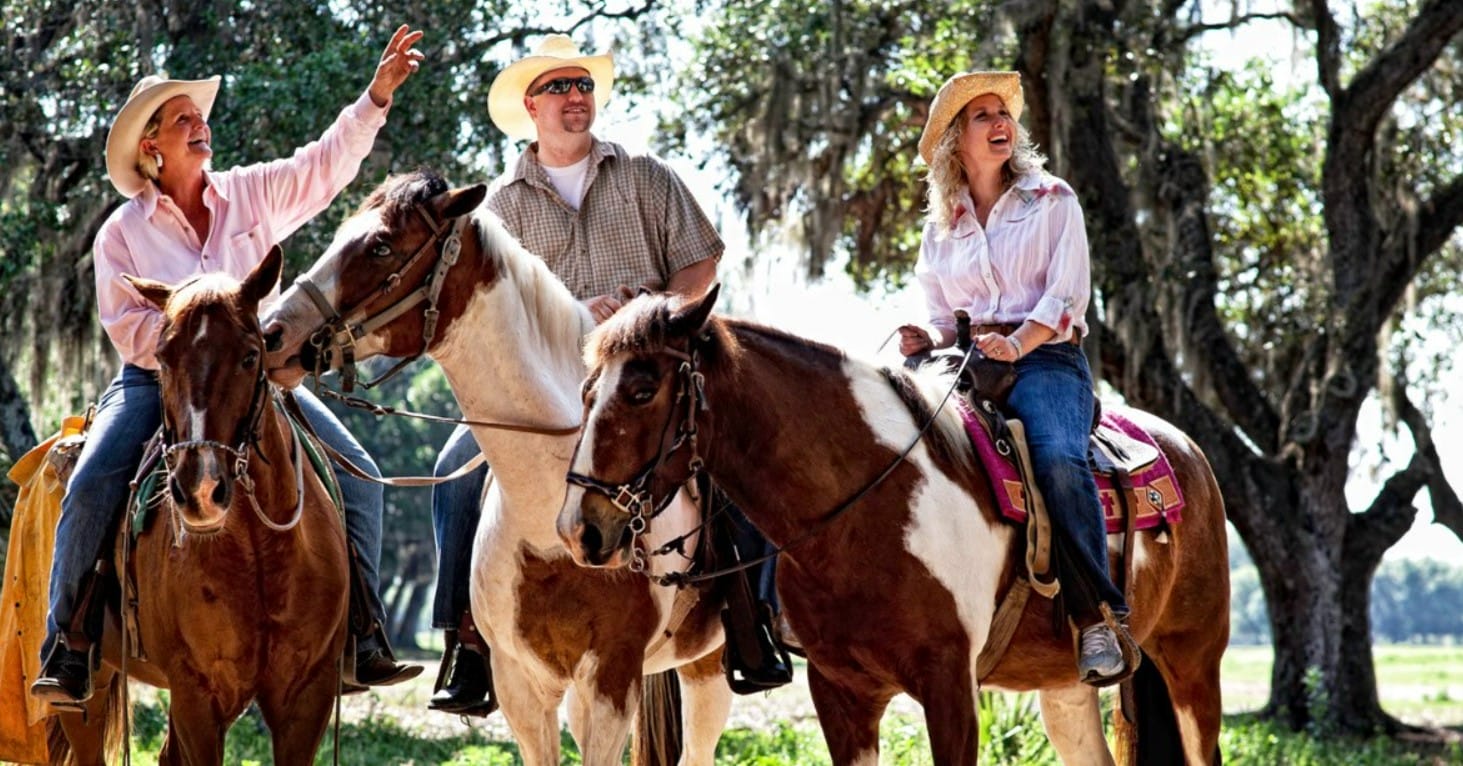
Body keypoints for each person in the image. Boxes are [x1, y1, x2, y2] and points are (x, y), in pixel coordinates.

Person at [30, 25, 429, 706]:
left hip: (257, 387)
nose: (200, 125)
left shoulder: (251, 193)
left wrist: (374, 98)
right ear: (151, 144)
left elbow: (324, 165)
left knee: (360, 470)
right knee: (95, 478)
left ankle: (362, 635)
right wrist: (200, 338)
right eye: (184, 118)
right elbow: (129, 330)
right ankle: (67, 643)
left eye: (201, 116)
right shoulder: (120, 234)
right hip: (160, 386)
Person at [427, 34, 790, 715]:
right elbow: (496, 314)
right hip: (547, 379)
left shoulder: (646, 176)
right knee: (454, 474)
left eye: (584, 87)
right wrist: (570, 314)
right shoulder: (498, 208)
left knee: (737, 459)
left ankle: (750, 622)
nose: (576, 98)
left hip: (646, 377)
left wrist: (649, 318)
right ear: (531, 106)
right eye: (561, 88)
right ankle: (465, 644)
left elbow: (698, 266)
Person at [896, 70, 1130, 686]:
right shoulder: (942, 225)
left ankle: (1096, 617)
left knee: (1055, 458)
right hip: (968, 364)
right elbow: (946, 315)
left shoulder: (1053, 200)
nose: (1002, 124)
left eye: (1004, 113)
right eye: (983, 116)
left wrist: (1017, 340)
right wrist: (932, 337)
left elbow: (1066, 296)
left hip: (1047, 359)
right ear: (955, 141)